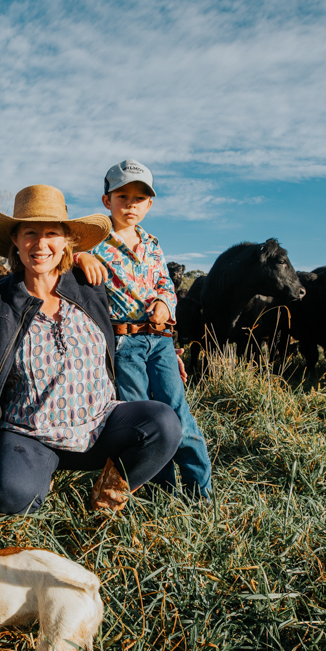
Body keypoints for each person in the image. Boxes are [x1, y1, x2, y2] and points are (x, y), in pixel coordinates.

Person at [0, 184, 182, 515]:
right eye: (30, 232)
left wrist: (171, 350)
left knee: (164, 423)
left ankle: (104, 501)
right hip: (28, 433)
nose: (41, 243)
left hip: (99, 424)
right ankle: (36, 475)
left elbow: (130, 317)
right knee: (11, 496)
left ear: (65, 241)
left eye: (52, 233)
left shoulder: (89, 288)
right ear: (15, 239)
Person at [76, 160, 213, 499]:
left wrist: (166, 303)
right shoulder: (94, 239)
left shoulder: (152, 243)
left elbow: (165, 283)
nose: (131, 204)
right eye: (123, 196)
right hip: (124, 343)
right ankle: (159, 491)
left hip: (161, 340)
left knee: (177, 410)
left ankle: (201, 492)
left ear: (149, 204)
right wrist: (80, 257)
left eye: (140, 198)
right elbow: (62, 250)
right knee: (142, 415)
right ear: (107, 201)